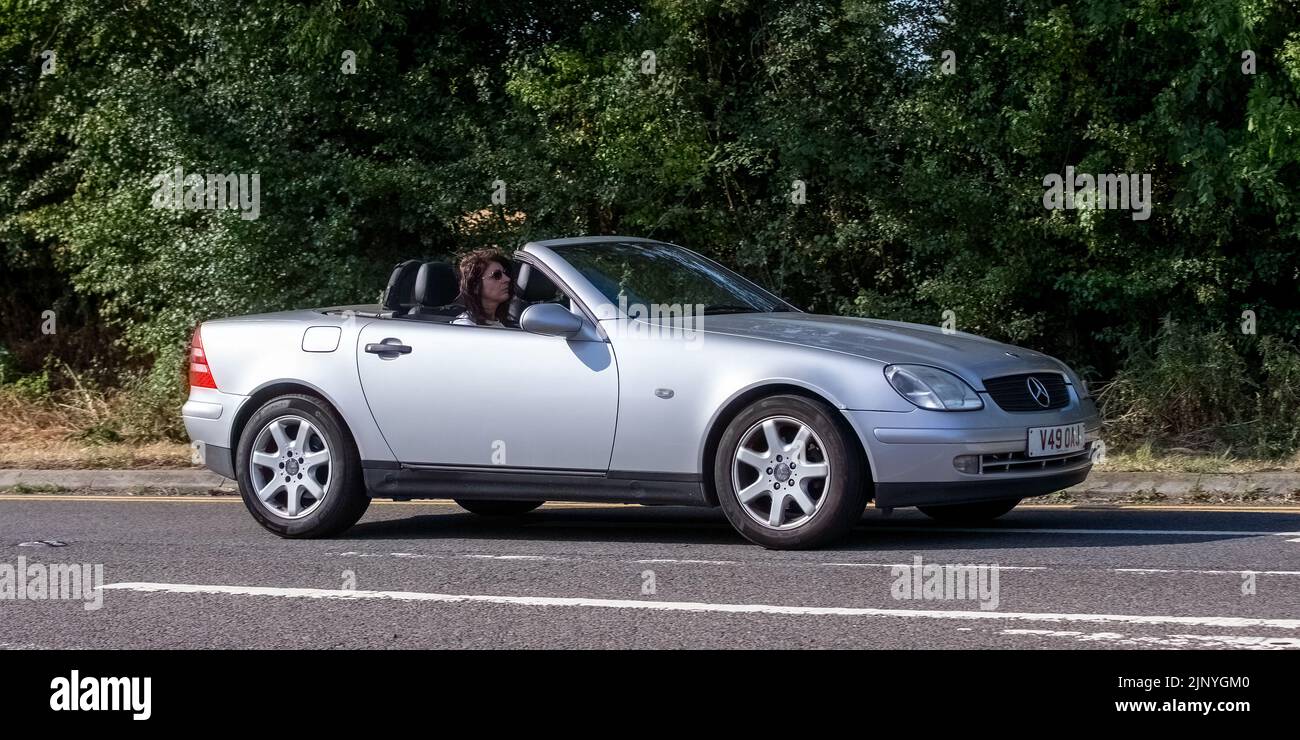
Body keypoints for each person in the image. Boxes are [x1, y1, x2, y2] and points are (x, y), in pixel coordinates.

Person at [452, 248, 512, 327]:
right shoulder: (465, 327)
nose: (507, 279)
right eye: (497, 275)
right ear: (475, 286)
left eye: (505, 273)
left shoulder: (499, 324)